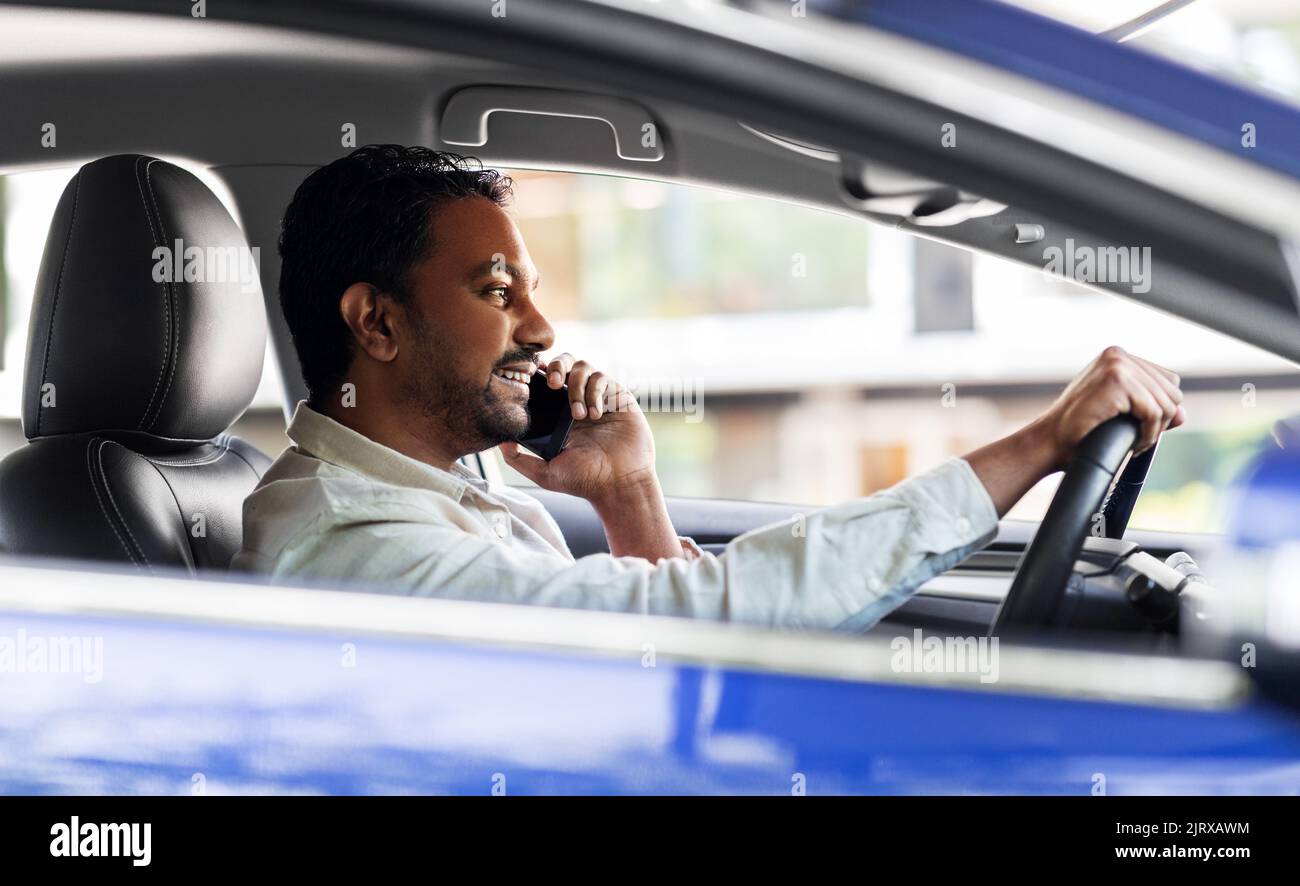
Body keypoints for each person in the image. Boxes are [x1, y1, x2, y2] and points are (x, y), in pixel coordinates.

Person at [233, 145, 1185, 631]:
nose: (541, 328)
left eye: (530, 289)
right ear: (378, 322)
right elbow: (697, 623)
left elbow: (653, 661)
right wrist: (1038, 444)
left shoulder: (436, 490)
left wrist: (629, 496)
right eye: (495, 291)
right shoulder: (353, 547)